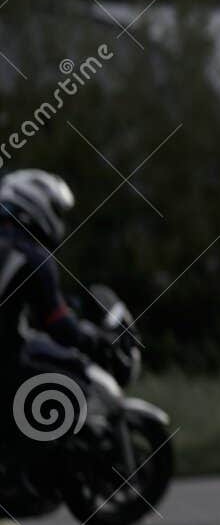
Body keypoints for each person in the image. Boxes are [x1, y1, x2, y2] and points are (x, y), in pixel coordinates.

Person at [0, 170, 107, 431]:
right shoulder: (30, 255)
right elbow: (59, 325)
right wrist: (94, 339)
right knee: (72, 391)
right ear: (37, 203)